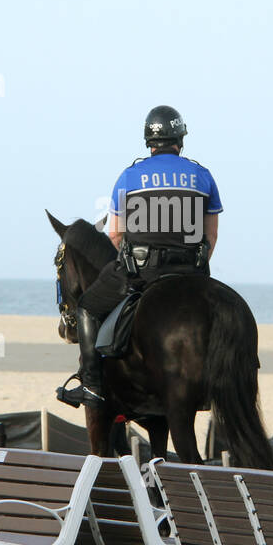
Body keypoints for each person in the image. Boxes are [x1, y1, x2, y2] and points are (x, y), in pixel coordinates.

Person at [56, 105, 222, 407]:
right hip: (192, 274)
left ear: (149, 143)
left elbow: (116, 235)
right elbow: (211, 237)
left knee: (87, 307)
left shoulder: (130, 176)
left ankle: (92, 384)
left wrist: (134, 261)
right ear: (180, 140)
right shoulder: (203, 175)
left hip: (142, 272)